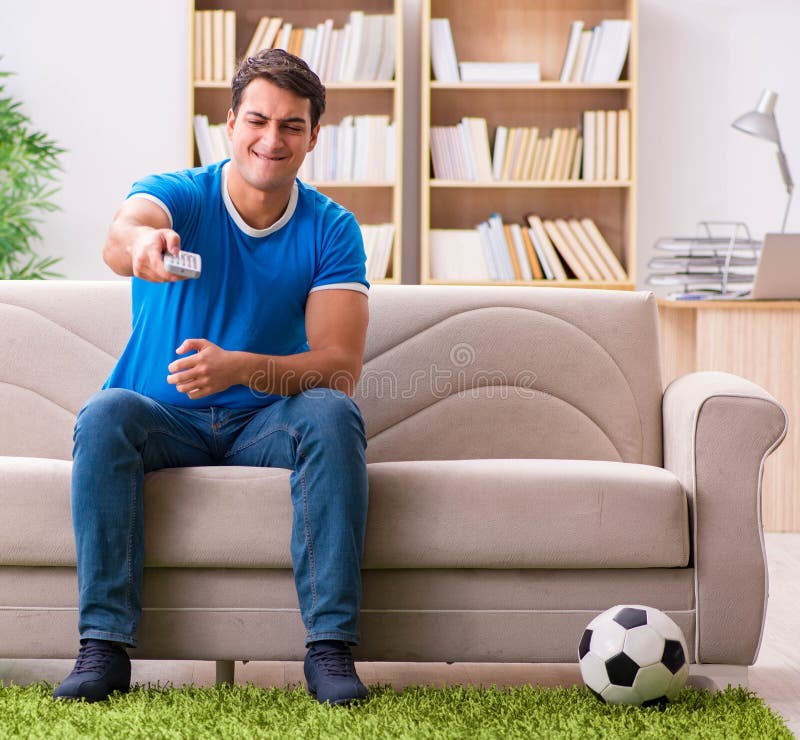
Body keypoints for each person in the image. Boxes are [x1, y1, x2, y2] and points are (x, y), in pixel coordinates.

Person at [53, 49, 371, 706]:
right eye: (257, 120)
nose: (271, 139)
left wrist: (237, 368)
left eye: (290, 126)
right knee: (105, 413)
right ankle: (103, 648)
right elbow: (125, 231)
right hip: (162, 417)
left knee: (333, 415)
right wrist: (145, 247)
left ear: (314, 137)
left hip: (265, 422)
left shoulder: (332, 230)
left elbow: (338, 368)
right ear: (229, 124)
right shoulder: (183, 194)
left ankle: (330, 648)